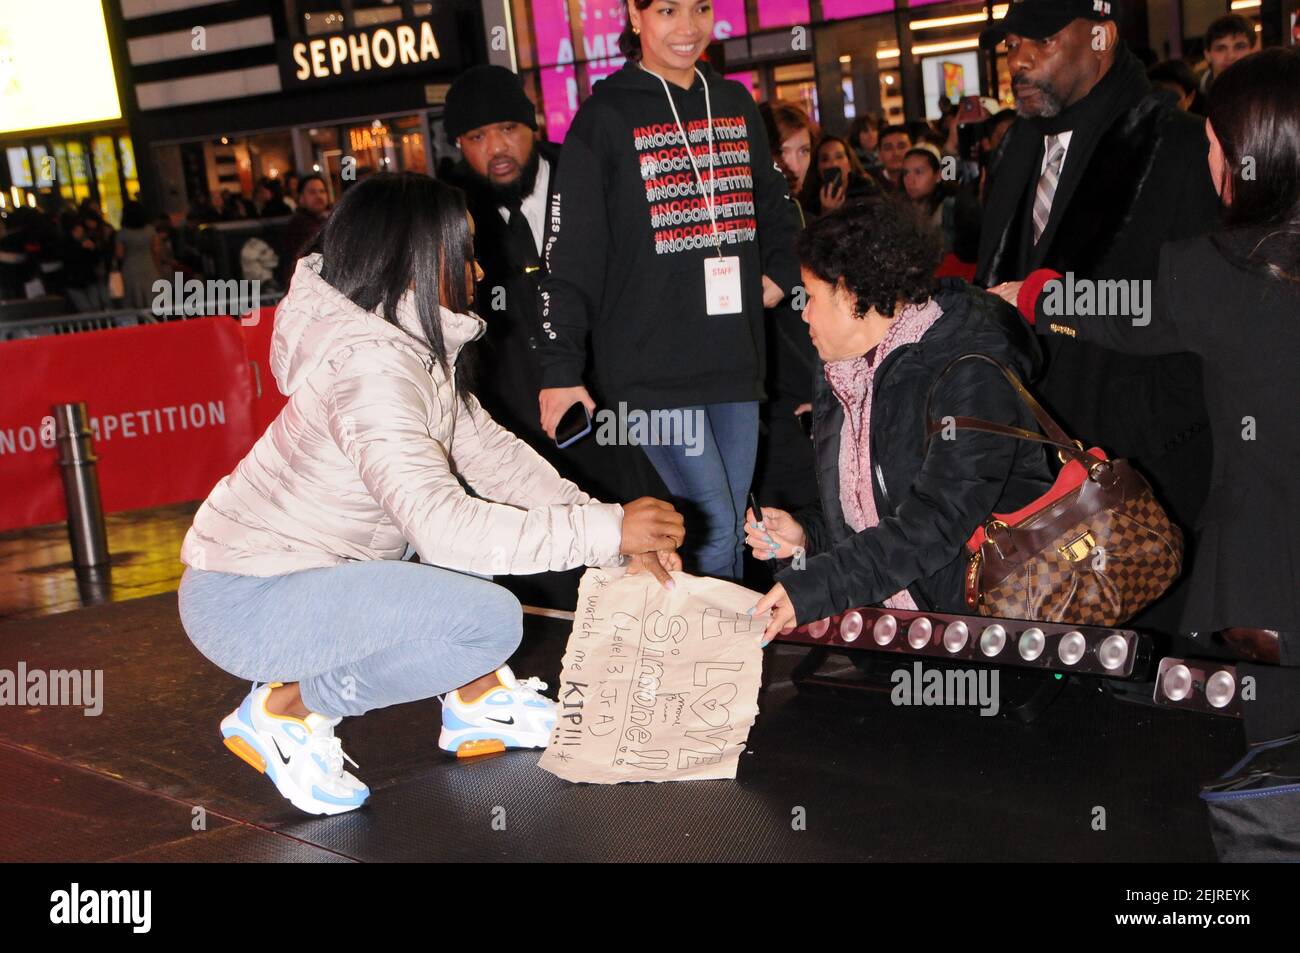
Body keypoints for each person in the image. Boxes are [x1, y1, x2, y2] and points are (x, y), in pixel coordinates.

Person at [177, 173, 685, 816]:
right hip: (250, 599)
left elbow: (499, 464)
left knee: (478, 529)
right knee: (489, 618)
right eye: (462, 252)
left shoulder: (408, 348)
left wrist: (613, 544)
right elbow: (444, 527)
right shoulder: (372, 369)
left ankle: (474, 700)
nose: (475, 269)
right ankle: (286, 708)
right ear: (416, 265)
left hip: (302, 575)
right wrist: (609, 530)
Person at [1004, 48, 1300, 749]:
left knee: (1272, 763)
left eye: (1212, 144)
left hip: (1265, 572)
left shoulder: (1215, 271)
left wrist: (1026, 294)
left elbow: (1112, 311)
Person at [977, 0, 1222, 635]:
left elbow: (1199, 316)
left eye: (1041, 40)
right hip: (1036, 453)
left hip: (1145, 463)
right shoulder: (1013, 152)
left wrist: (1163, 429)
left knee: (1149, 668)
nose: (1021, 59)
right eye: (1010, 45)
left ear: (1100, 36)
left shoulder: (1179, 145)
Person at [536, 0, 800, 580]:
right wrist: (560, 367)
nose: (687, 28)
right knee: (715, 525)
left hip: (735, 354)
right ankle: (713, 659)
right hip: (649, 367)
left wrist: (782, 273)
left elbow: (777, 209)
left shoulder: (733, 104)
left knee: (730, 525)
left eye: (701, 8)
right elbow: (570, 253)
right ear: (634, 15)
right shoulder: (603, 118)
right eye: (668, 10)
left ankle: (707, 657)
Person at [749, 199, 1052, 639]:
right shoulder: (846, 368)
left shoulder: (967, 371)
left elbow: (934, 524)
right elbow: (874, 510)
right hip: (903, 630)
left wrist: (818, 586)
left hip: (985, 630)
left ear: (853, 297)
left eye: (811, 297)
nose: (803, 312)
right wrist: (806, 538)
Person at [443, 64, 667, 609]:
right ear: (458, 144)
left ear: (534, 125)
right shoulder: (450, 212)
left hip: (611, 402)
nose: (497, 149)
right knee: (545, 568)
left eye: (508, 130)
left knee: (633, 536)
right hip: (509, 416)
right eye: (477, 137)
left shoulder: (589, 176)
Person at [799, 135, 880, 218]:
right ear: (817, 166)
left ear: (849, 163)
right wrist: (826, 212)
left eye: (839, 157)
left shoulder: (866, 189)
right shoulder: (808, 198)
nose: (833, 163)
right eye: (825, 159)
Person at [279, 173, 329, 285]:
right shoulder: (300, 225)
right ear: (301, 198)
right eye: (312, 192)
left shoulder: (323, 220)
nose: (319, 196)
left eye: (322, 191)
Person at [115, 201, 163, 310]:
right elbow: (156, 251)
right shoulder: (150, 231)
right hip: (149, 267)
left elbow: (120, 254)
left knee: (133, 299)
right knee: (152, 298)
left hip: (130, 269)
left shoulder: (122, 233)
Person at [1197, 14, 1256, 99]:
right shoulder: (1191, 101)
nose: (1231, 56)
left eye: (1239, 47)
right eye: (1220, 48)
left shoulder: (1268, 95)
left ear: (1253, 51)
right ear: (1207, 55)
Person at [875, 124, 912, 192]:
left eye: (901, 146)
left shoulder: (925, 184)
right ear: (879, 155)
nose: (896, 153)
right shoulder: (872, 188)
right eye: (888, 148)